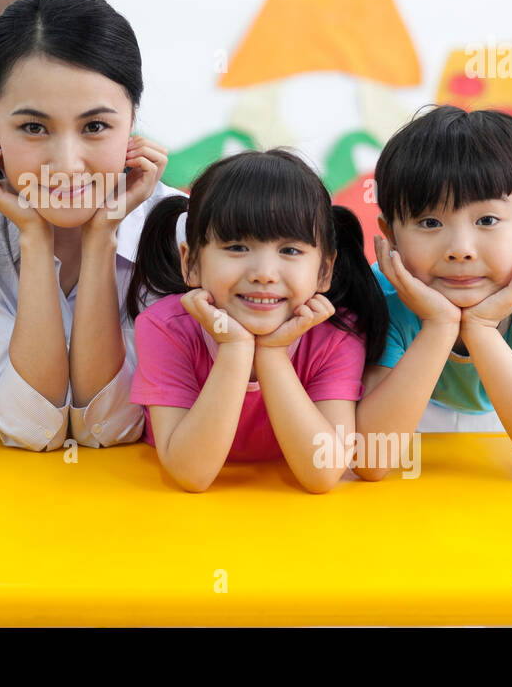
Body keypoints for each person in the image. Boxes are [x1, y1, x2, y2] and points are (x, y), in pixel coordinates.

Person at [0, 0, 174, 450]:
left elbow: (108, 430)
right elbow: (32, 430)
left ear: (133, 117)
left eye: (95, 127)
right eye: (34, 128)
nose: (67, 163)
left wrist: (102, 241)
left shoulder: (178, 229)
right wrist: (33, 237)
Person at [355, 106, 512, 483]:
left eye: (486, 221)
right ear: (391, 236)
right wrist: (439, 325)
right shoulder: (385, 293)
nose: (460, 249)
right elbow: (371, 461)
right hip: (408, 421)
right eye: (429, 222)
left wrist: (482, 328)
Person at [127, 149, 386, 493]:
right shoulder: (165, 328)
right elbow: (191, 473)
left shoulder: (337, 334)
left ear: (325, 270)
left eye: (290, 251)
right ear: (191, 263)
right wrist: (235, 348)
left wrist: (273, 355)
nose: (264, 274)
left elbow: (323, 473)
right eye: (236, 247)